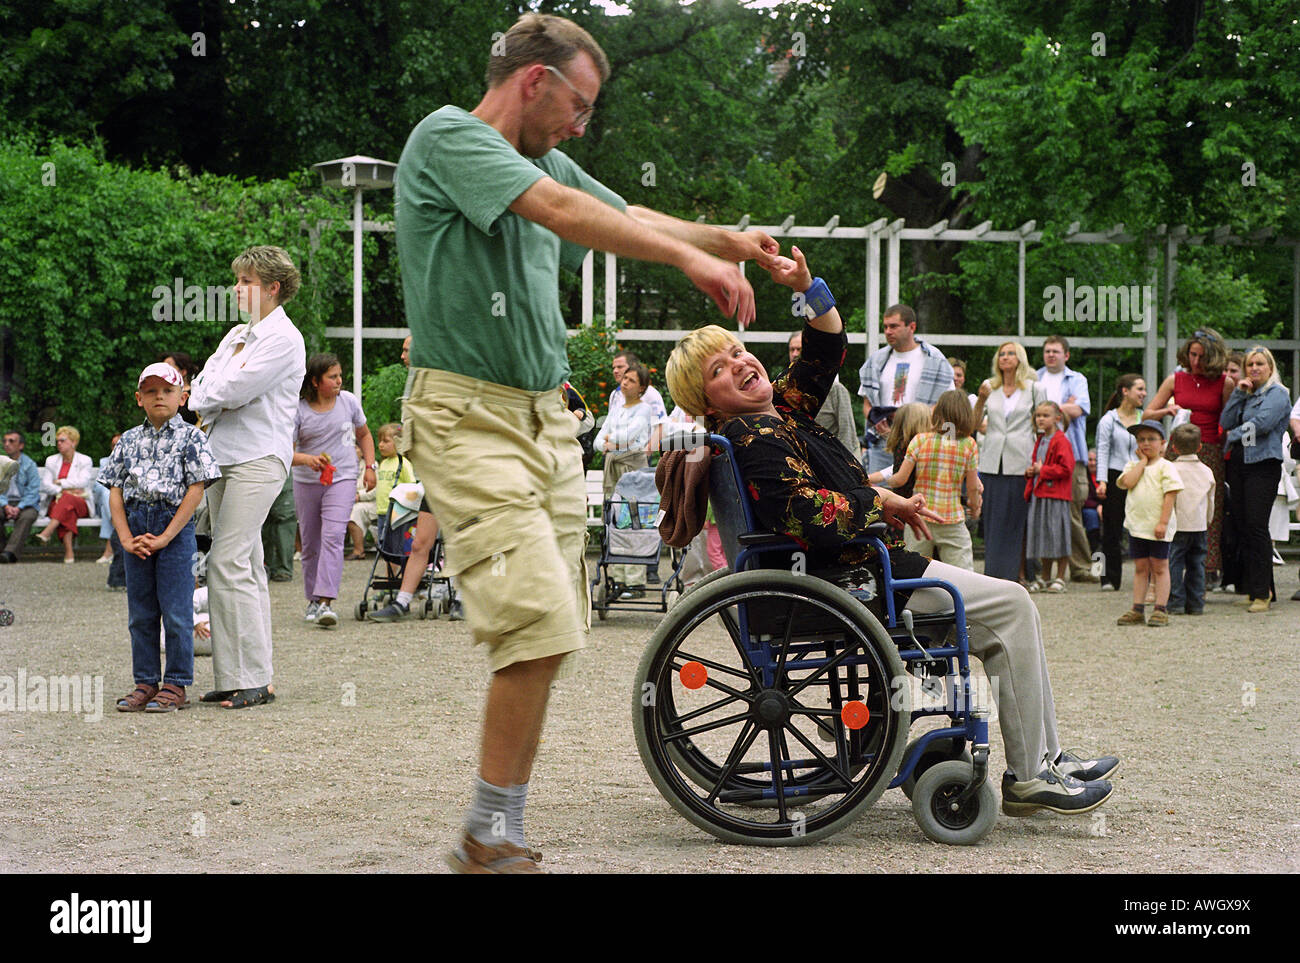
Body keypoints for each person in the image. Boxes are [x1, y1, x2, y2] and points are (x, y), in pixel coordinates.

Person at [394, 11, 778, 873]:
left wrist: (724, 242)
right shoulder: (449, 140)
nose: (581, 126)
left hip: (544, 421)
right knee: (533, 615)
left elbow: (622, 208)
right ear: (535, 81)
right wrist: (692, 265)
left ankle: (496, 828)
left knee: (557, 623)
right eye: (580, 106)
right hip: (470, 417)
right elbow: (563, 211)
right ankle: (488, 833)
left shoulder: (543, 159)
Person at [665, 247, 1117, 819]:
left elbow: (827, 348)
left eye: (737, 350)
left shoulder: (777, 412)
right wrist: (879, 497)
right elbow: (808, 514)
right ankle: (1033, 773)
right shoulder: (755, 439)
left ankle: (1043, 760)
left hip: (858, 569)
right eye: (719, 369)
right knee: (1012, 605)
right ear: (705, 400)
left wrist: (806, 284)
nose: (738, 362)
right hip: (851, 578)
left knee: (1009, 611)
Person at [188, 245, 306, 709]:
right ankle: (245, 677)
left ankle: (252, 677)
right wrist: (209, 393)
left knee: (228, 560)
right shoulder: (238, 333)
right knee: (247, 565)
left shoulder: (284, 338)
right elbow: (207, 384)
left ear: (272, 288)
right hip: (222, 455)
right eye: (237, 280)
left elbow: (231, 389)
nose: (236, 288)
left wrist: (207, 394)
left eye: (246, 282)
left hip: (260, 457)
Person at [100, 363, 222, 712]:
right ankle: (145, 682)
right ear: (139, 398)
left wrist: (168, 535)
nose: (159, 397)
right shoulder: (127, 440)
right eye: (151, 391)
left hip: (174, 526)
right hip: (136, 526)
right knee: (140, 611)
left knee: (177, 610)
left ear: (183, 397)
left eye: (167, 391)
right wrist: (124, 537)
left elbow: (196, 490)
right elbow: (115, 490)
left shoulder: (193, 438)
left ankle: (176, 683)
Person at [291, 353, 376, 629]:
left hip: (342, 477)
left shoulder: (349, 402)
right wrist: (308, 460)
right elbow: (285, 451)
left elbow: (364, 434)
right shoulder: (298, 410)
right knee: (310, 542)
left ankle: (326, 602)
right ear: (315, 381)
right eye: (333, 377)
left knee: (333, 536)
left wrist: (370, 467)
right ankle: (313, 599)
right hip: (307, 480)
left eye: (340, 375)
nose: (339, 381)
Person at [1144, 328, 1232, 587]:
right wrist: (1166, 409)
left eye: (1202, 357)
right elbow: (1147, 414)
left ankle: (1207, 568)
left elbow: (1227, 421)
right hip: (1177, 450)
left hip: (1209, 451)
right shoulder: (1175, 380)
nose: (1196, 362)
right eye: (1192, 355)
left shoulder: (1224, 382)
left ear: (1213, 357)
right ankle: (1166, 564)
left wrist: (1223, 449)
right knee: (1170, 506)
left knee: (1207, 510)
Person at [1219, 346, 1291, 613]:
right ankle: (1257, 588)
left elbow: (1262, 424)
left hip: (1262, 464)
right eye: (1250, 364)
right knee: (1242, 525)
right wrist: (1238, 393)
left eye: (1260, 364)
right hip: (1239, 463)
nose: (1254, 369)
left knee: (1257, 525)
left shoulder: (1278, 394)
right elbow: (1226, 419)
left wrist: (1232, 436)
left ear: (1270, 368)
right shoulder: (1246, 394)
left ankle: (1263, 593)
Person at [971, 342, 1047, 582]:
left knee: (1016, 520)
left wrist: (1041, 460)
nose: (1005, 358)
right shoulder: (988, 388)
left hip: (1021, 461)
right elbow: (973, 425)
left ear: (1020, 358)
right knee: (993, 521)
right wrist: (981, 401)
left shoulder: (1035, 388)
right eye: (1002, 354)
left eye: (1010, 353)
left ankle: (1017, 575)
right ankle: (993, 574)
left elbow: (1044, 427)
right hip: (992, 461)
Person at [885, 390, 981, 570]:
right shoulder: (969, 445)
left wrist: (886, 483)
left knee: (914, 571)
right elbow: (972, 487)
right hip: (952, 519)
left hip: (919, 516)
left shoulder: (920, 440)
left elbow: (901, 479)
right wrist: (974, 507)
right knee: (962, 572)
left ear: (937, 412)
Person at [857, 304, 954, 474]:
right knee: (880, 495)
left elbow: (945, 404)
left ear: (912, 327)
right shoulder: (876, 360)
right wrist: (877, 420)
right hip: (882, 441)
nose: (888, 331)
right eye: (885, 327)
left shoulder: (934, 359)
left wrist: (911, 425)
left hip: (921, 440)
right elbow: (867, 403)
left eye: (894, 326)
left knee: (917, 496)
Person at [1036, 336, 1095, 582]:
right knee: (1041, 513)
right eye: (1047, 351)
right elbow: (1034, 413)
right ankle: (1043, 570)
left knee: (1072, 513)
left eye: (1056, 351)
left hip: (1072, 455)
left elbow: (1079, 409)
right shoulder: (1033, 377)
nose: (1051, 355)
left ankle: (1081, 568)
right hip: (1039, 454)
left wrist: (1048, 410)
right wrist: (1062, 408)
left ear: (1066, 355)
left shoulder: (1078, 379)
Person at [594, 361, 656, 598]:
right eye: (624, 379)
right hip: (614, 466)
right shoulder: (617, 408)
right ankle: (617, 579)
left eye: (631, 380)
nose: (624, 382)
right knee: (613, 521)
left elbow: (630, 436)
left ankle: (634, 581)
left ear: (641, 387)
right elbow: (600, 440)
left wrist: (612, 441)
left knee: (633, 520)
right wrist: (611, 441)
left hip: (633, 469)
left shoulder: (644, 409)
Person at [1115, 420, 1183, 627]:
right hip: (1137, 526)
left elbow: (1170, 496)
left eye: (1151, 439)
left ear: (1162, 443)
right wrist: (1142, 462)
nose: (1146, 443)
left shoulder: (1167, 467)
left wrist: (1163, 522)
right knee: (1140, 567)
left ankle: (1160, 608)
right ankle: (1137, 608)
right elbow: (1128, 483)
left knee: (1160, 567)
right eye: (1141, 440)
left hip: (1158, 528)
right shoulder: (1132, 466)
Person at [1095, 374, 1145, 591]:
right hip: (1115, 475)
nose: (1144, 393)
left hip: (1140, 474)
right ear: (1125, 391)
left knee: (1141, 527)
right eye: (1139, 389)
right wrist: (1102, 480)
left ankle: (1145, 576)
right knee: (1112, 529)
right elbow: (1102, 450)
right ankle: (1107, 578)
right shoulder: (1108, 419)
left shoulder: (1144, 417)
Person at [1023, 401, 1075, 593]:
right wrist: (1032, 471)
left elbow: (1067, 468)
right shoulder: (1041, 440)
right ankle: (1044, 577)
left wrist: (1042, 470)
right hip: (1041, 494)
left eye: (1045, 415)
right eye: (1038, 415)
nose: (1041, 419)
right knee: (1043, 535)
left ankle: (1060, 577)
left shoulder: (1061, 441)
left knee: (1058, 535)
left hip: (1056, 496)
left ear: (1057, 418)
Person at [1166, 423, 1215, 615]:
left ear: (1174, 447)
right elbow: (1211, 502)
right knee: (1197, 563)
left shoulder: (1170, 469)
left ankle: (1176, 601)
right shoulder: (1207, 471)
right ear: (1200, 446)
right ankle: (1195, 603)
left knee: (1174, 562)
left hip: (1177, 524)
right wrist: (1207, 521)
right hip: (1199, 525)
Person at [788, 330, 859, 457]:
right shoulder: (784, 388)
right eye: (791, 349)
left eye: (799, 349)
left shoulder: (835, 389)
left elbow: (847, 434)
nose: (794, 354)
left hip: (830, 459)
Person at [34, 426, 96, 563]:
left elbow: (83, 482)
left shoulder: (85, 460)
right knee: (67, 509)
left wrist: (60, 483)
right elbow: (45, 485)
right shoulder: (51, 460)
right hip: (57, 503)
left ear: (73, 442)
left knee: (67, 501)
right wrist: (63, 491)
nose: (59, 444)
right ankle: (69, 553)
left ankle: (47, 532)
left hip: (81, 503)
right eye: (57, 441)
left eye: (62, 440)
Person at [866, 402, 930, 496]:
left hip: (907, 498)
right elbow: (895, 469)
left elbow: (899, 477)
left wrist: (889, 482)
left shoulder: (904, 445)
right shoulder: (930, 444)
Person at [1, 429, 42, 564]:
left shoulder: (29, 465)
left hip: (25, 503)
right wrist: (5, 505)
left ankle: (9, 553)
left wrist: (19, 507)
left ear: (21, 446)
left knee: (27, 516)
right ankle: (1, 550)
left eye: (11, 441)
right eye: (5, 441)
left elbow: (33, 491)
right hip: (4, 502)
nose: (7, 444)